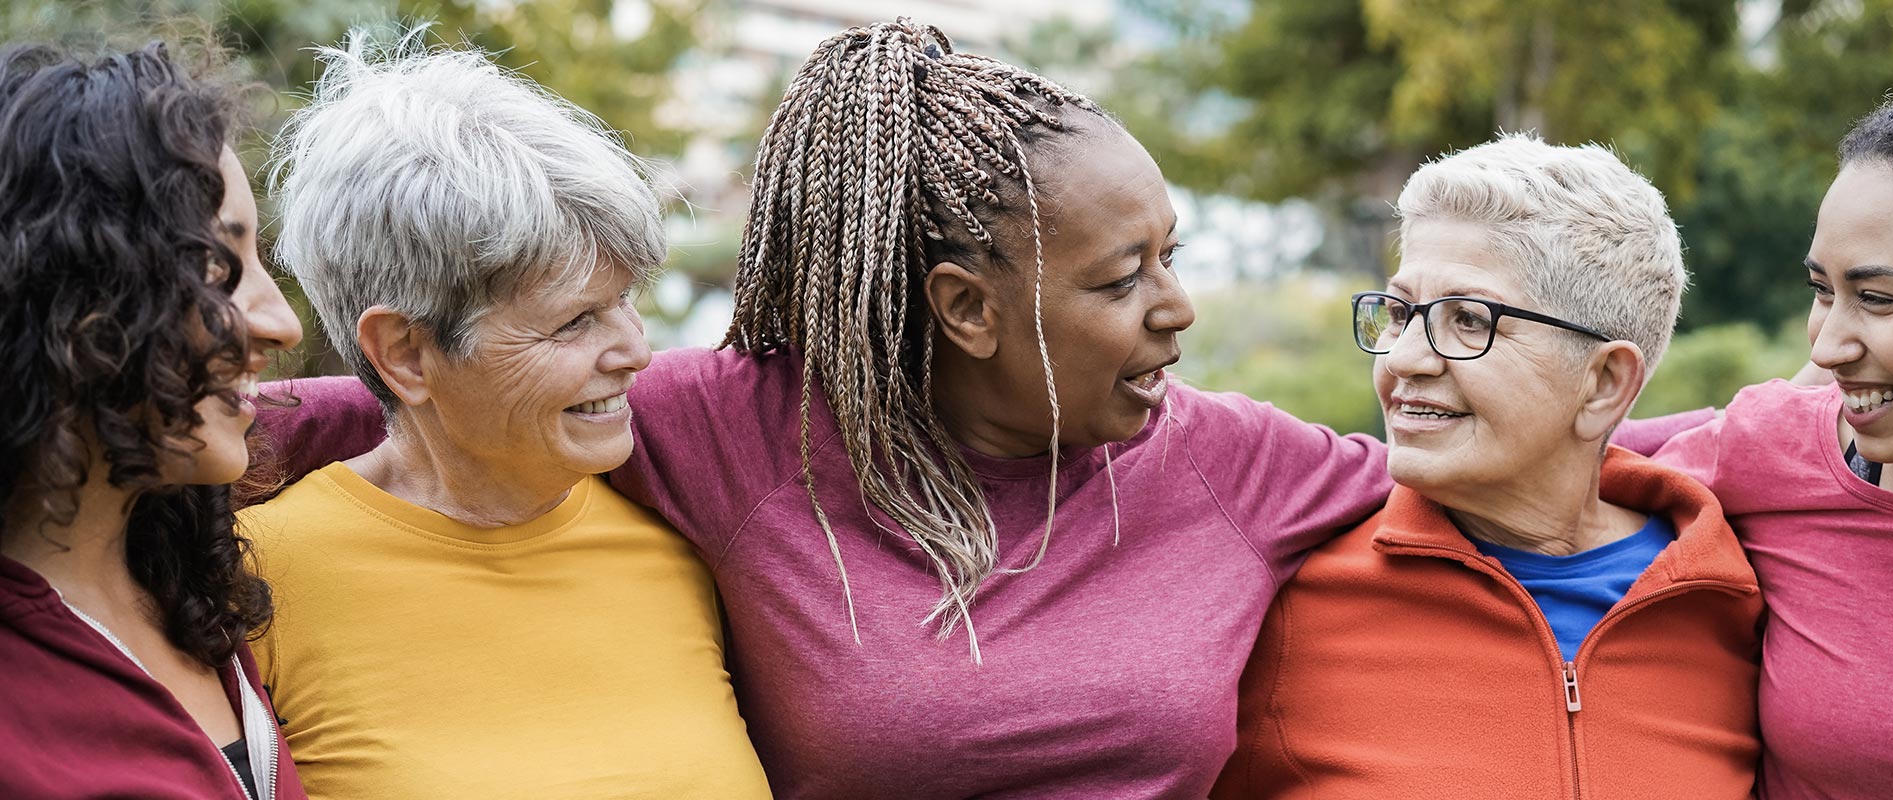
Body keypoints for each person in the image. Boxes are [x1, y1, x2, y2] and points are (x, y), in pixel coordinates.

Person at [259, 21, 1709, 798]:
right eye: (1122, 279)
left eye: (1173, 257)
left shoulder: (1227, 463)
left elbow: (1511, 445)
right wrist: (192, 423)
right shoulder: (746, 432)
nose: (1177, 311)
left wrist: (1780, 448)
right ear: (964, 308)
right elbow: (434, 403)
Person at [237, 32, 769, 799]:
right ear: (405, 354)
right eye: (574, 321)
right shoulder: (257, 576)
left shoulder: (687, 539)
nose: (636, 351)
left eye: (625, 298)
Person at [1216, 134, 1763, 799]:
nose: (1402, 359)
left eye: (1470, 320)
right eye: (1400, 312)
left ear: (1604, 384)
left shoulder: (1740, 600)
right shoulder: (1278, 605)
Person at [0, 42, 306, 799]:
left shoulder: (182, 581)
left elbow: (340, 415)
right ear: (71, 299)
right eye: (218, 267)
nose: (283, 323)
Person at [1655, 72, 1893, 800]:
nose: (1827, 344)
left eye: (1877, 298)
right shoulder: (1776, 452)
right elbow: (1555, 466)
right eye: (1821, 291)